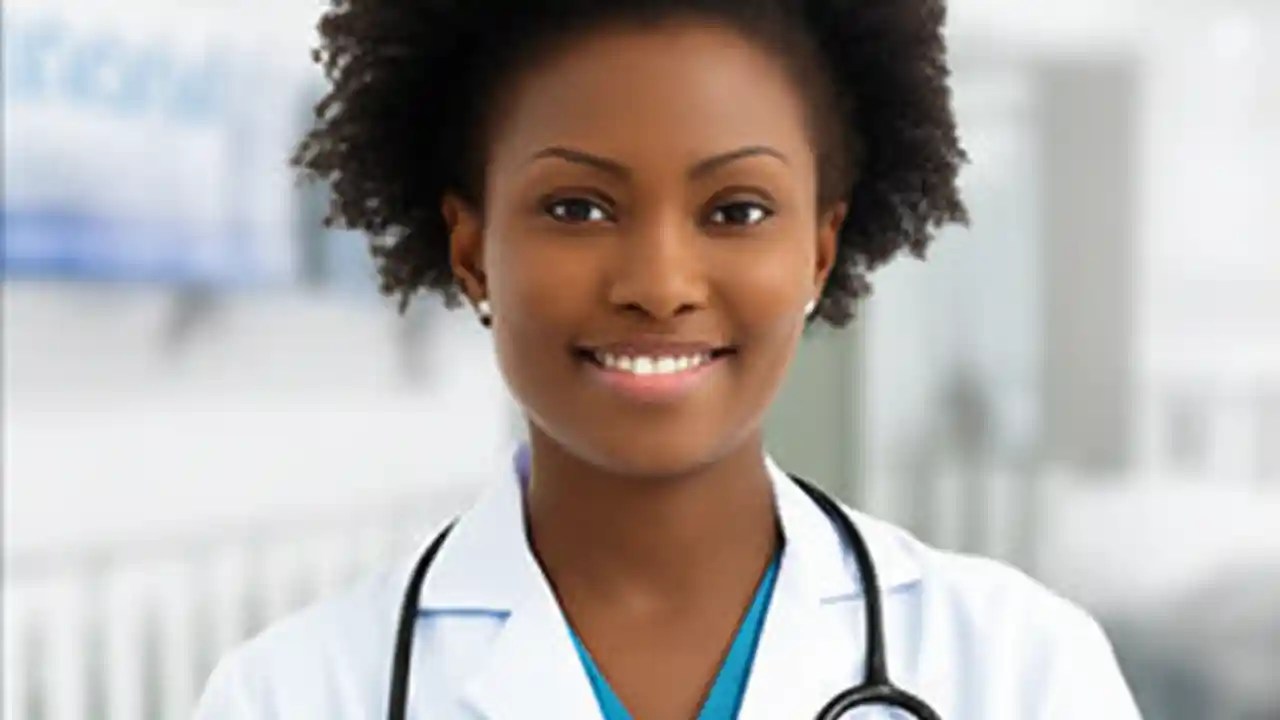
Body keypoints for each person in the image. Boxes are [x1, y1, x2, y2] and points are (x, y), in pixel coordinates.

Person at [194, 0, 1142, 717]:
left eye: (736, 211)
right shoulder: (294, 694)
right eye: (577, 208)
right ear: (473, 250)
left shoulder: (1019, 669)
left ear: (818, 250)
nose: (659, 282)